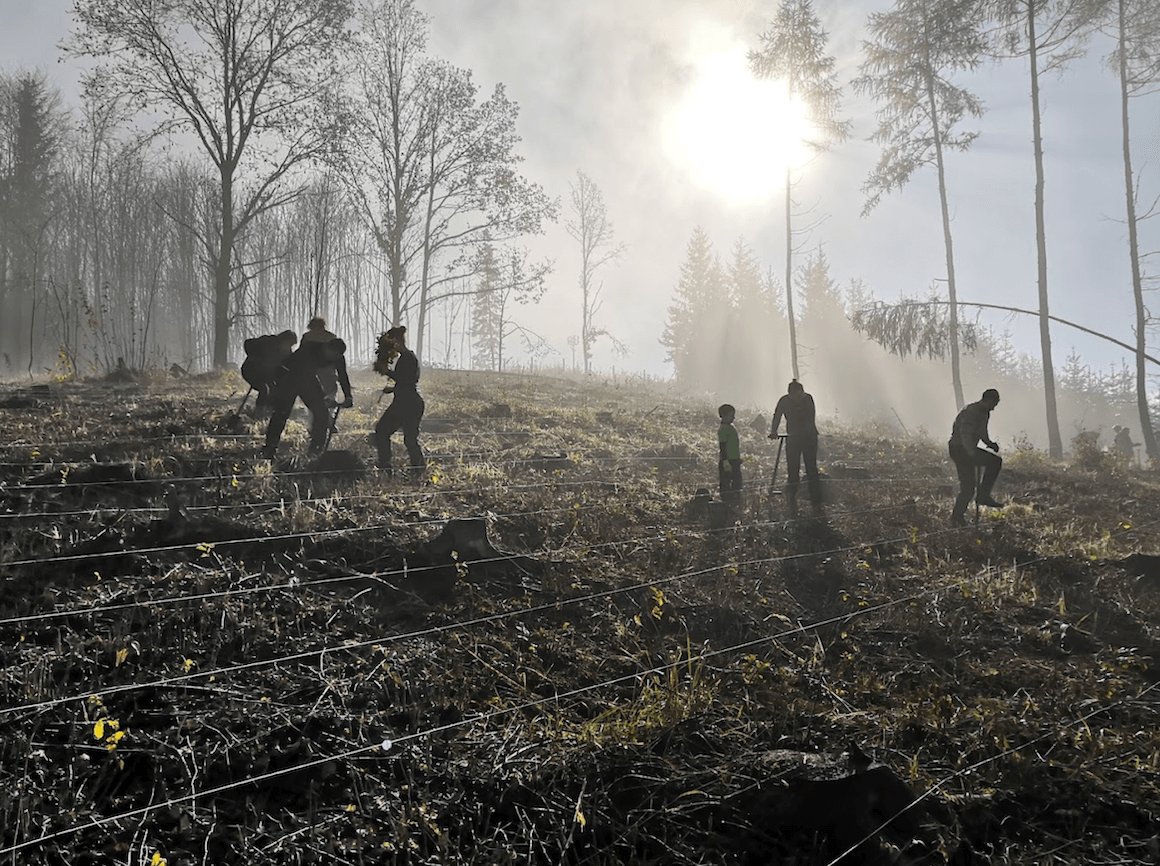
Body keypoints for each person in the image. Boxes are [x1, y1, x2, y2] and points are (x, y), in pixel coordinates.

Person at [260, 337, 353, 460]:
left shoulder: (338, 357)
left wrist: (348, 396)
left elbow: (343, 375)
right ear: (326, 348)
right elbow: (301, 375)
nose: (332, 359)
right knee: (281, 414)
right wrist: (323, 397)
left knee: (322, 413)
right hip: (288, 376)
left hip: (308, 380)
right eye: (331, 355)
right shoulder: (309, 348)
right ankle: (269, 449)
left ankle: (316, 451)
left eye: (335, 357)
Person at [373, 325, 426, 477]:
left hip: (406, 404)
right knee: (410, 439)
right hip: (411, 402)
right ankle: (418, 470)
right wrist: (391, 389)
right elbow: (407, 383)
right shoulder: (408, 357)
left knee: (382, 431)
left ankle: (386, 468)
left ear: (396, 341)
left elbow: (406, 380)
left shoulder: (408, 358)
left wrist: (387, 372)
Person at [948, 388, 1004, 526]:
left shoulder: (984, 413)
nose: (993, 408)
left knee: (995, 461)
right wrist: (971, 453)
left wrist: (990, 444)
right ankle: (957, 517)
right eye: (993, 404)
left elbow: (982, 433)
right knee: (968, 486)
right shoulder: (970, 411)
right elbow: (964, 434)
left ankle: (982, 495)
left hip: (967, 449)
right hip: (959, 449)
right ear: (987, 400)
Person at [769, 380, 823, 516]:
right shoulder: (784, 401)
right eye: (796, 396)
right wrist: (774, 431)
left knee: (812, 470)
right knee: (793, 470)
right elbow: (777, 415)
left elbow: (810, 419)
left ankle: (817, 503)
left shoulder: (808, 399)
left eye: (801, 395)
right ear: (790, 394)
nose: (799, 398)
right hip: (793, 439)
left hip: (809, 438)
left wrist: (801, 433)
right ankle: (792, 502)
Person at [240, 330, 297, 416]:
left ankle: (269, 410)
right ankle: (259, 412)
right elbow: (248, 344)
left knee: (275, 389)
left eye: (291, 345)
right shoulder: (268, 341)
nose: (289, 347)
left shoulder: (287, 352)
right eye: (289, 344)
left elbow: (291, 365)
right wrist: (256, 355)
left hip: (266, 374)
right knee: (264, 389)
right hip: (251, 370)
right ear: (284, 339)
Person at [301, 316, 339, 402]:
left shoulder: (307, 337)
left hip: (313, 369)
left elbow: (301, 354)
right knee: (329, 391)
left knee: (315, 392)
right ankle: (329, 410)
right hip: (326, 370)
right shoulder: (331, 336)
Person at [717, 403, 742, 507]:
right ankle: (726, 503)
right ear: (724, 415)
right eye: (731, 415)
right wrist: (725, 461)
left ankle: (736, 501)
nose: (733, 417)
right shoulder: (723, 429)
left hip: (734, 459)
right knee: (726, 481)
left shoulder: (730, 427)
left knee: (737, 481)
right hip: (728, 460)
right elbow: (722, 446)